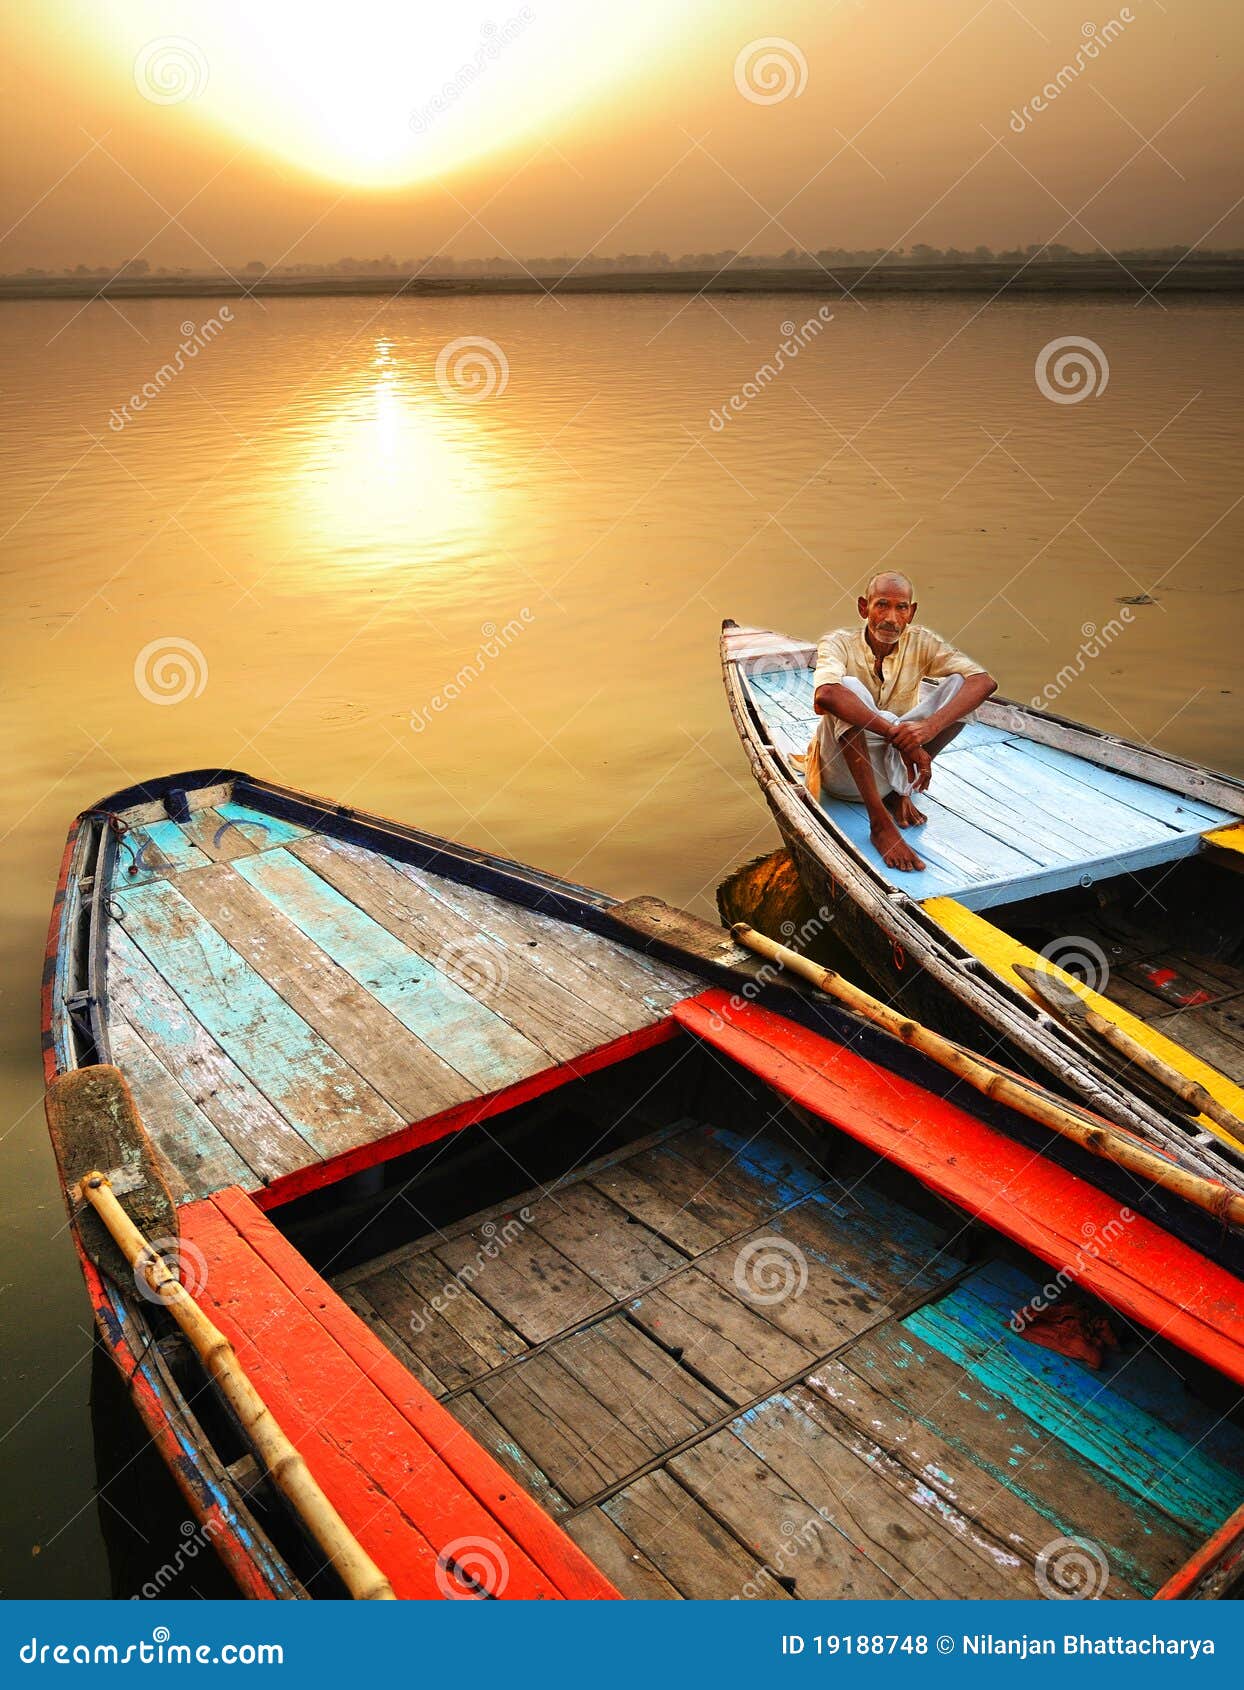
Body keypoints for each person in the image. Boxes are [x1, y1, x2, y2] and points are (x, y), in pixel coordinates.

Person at [807, 572, 996, 872]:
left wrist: (929, 727)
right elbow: (826, 695)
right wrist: (898, 735)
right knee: (847, 691)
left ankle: (898, 794)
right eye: (882, 605)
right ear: (863, 607)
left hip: (897, 770)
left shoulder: (921, 641)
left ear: (912, 612)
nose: (891, 619)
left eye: (901, 608)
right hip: (842, 776)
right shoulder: (838, 642)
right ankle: (879, 822)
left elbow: (985, 682)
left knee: (962, 688)